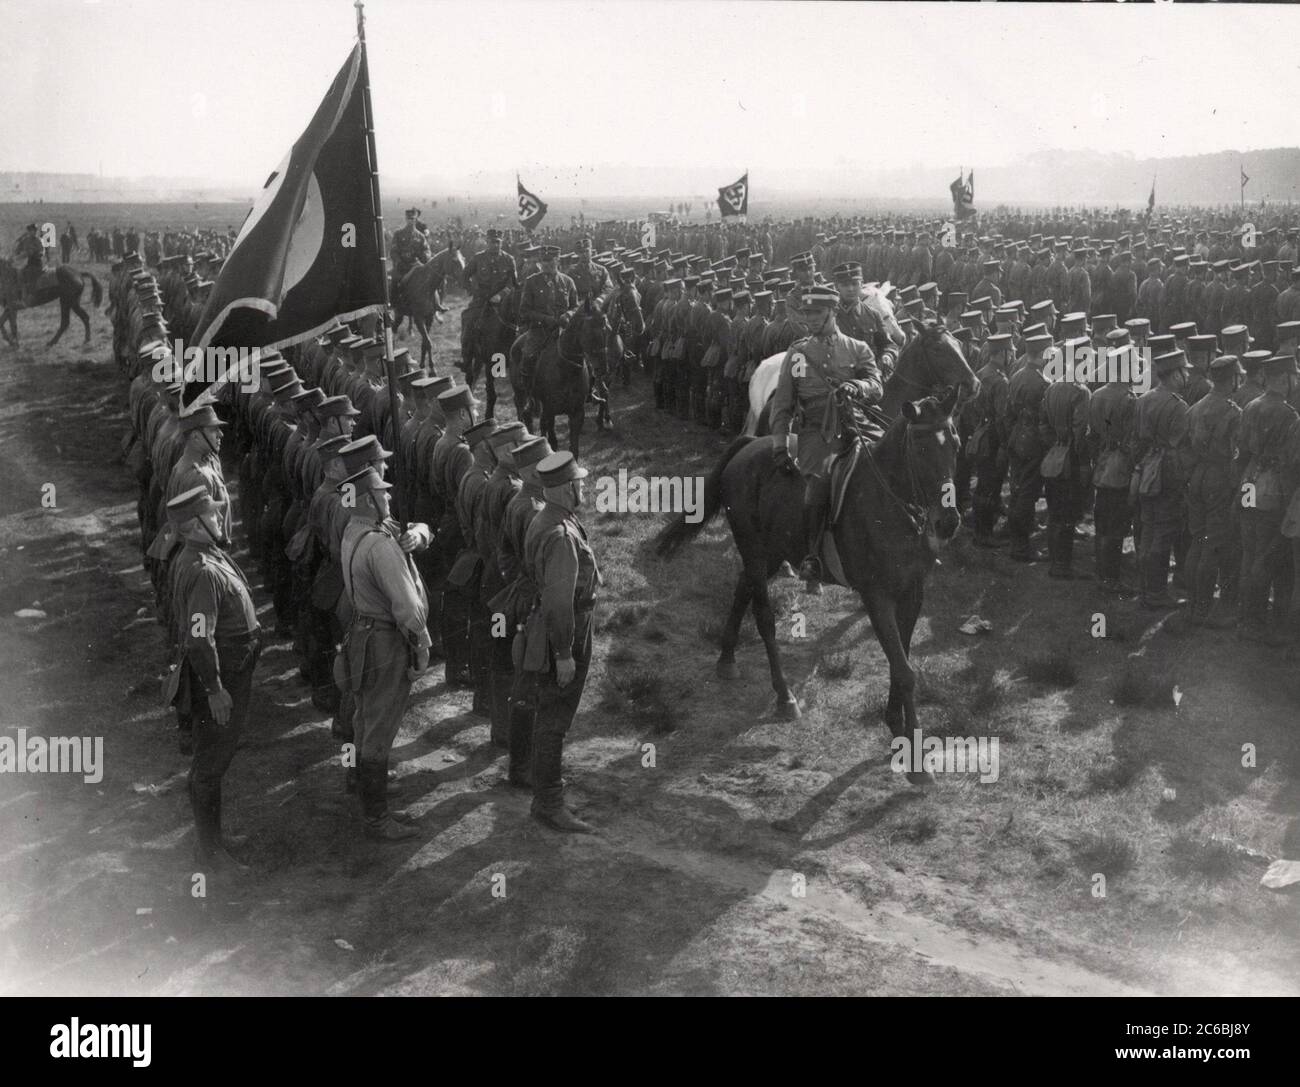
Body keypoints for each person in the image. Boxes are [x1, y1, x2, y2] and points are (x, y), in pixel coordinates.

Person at [165, 486, 261, 872]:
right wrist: (216, 689)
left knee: (212, 760)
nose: (221, 517)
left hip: (228, 669)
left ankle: (213, 841)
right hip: (222, 676)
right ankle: (211, 854)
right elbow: (200, 638)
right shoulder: (202, 570)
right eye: (213, 514)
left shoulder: (206, 555)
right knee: (210, 764)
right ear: (193, 525)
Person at [337, 464, 432, 841]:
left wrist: (420, 534)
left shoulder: (355, 531)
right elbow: (407, 606)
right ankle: (376, 819)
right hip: (386, 642)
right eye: (382, 492)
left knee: (364, 719)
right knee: (379, 728)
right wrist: (422, 644)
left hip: (362, 636)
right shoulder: (379, 545)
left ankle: (362, 790)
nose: (389, 496)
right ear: (368, 500)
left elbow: (419, 532)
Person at [770, 284, 883, 585]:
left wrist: (858, 386)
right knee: (818, 483)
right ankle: (812, 558)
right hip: (817, 432)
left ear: (832, 312)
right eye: (806, 313)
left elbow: (876, 383)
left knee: (894, 458)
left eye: (816, 313)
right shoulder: (797, 353)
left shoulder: (857, 348)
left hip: (856, 423)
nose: (809, 319)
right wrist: (780, 445)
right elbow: (783, 405)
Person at [518, 451, 601, 833]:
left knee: (548, 713)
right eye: (579, 482)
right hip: (564, 632)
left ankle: (544, 795)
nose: (583, 486)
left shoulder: (547, 519)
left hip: (548, 629)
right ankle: (549, 803)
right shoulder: (561, 535)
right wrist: (565, 653)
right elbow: (559, 600)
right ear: (567, 488)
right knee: (554, 718)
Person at [1185, 354, 1244, 627]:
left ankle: (1194, 602)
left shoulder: (1195, 408)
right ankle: (1204, 609)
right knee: (1212, 543)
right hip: (1219, 479)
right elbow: (1236, 453)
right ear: (1232, 379)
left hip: (1196, 476)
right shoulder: (1232, 412)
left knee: (1198, 539)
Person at [1133, 350, 1193, 609]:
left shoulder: (1144, 399)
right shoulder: (1178, 405)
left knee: (1148, 527)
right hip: (1168, 468)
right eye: (1184, 371)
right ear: (1175, 374)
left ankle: (1146, 589)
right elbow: (1181, 445)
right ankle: (1157, 593)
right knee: (1165, 529)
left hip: (1147, 465)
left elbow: (1138, 437)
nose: (1187, 375)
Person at [516, 246, 578, 412]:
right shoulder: (531, 282)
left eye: (550, 261)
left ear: (557, 261)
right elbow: (524, 311)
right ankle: (530, 397)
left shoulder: (568, 282)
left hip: (563, 331)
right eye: (544, 261)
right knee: (528, 356)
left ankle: (589, 390)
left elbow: (575, 306)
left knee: (584, 354)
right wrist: (546, 319)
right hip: (539, 331)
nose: (546, 265)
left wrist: (569, 315)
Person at [460, 227, 518, 373]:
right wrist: (474, 291)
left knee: (515, 328)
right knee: (468, 320)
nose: (495, 245)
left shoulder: (509, 259)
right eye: (492, 242)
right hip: (482, 301)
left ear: (502, 242)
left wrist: (502, 294)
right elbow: (464, 276)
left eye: (498, 242)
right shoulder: (478, 258)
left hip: (503, 302)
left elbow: (513, 282)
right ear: (487, 242)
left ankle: (508, 364)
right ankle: (467, 358)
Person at [389, 208, 431, 298]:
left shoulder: (420, 236)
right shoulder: (398, 234)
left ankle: (436, 304)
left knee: (431, 281)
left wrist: (423, 257)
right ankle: (394, 305)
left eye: (413, 219)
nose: (411, 221)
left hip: (417, 266)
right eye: (409, 219)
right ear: (406, 219)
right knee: (395, 282)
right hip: (402, 267)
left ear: (416, 220)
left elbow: (427, 250)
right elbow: (393, 251)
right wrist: (399, 262)